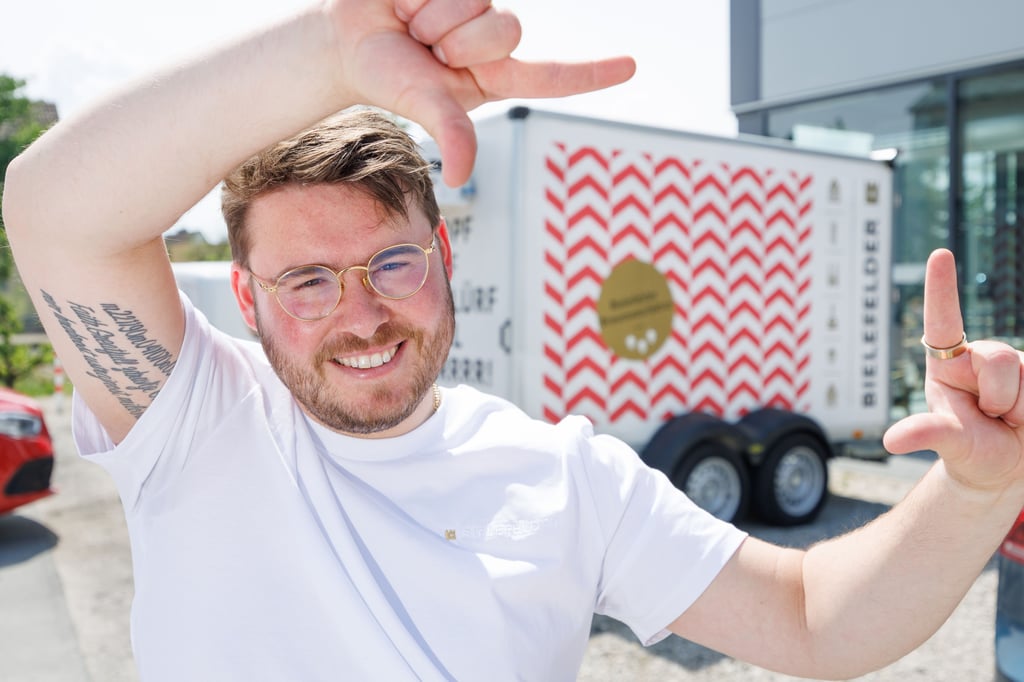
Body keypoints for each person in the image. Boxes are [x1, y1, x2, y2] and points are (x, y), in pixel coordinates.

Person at [3, 1, 1024, 680]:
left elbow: (810, 616)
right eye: (307, 280)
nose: (359, 315)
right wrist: (326, 48)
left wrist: (977, 491)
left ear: (444, 253)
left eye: (390, 264)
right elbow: (54, 210)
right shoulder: (194, 424)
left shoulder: (568, 476)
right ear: (246, 293)